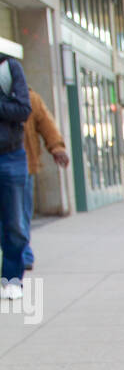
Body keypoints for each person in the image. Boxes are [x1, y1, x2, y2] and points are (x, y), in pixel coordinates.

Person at [21, 88, 70, 271]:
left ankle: (23, 254)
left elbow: (46, 124)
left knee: (20, 214)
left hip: (23, 166)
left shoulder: (29, 97)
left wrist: (57, 147)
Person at [0, 51, 32, 301]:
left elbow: (23, 109)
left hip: (10, 156)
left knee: (15, 224)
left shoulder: (8, 68)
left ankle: (11, 279)